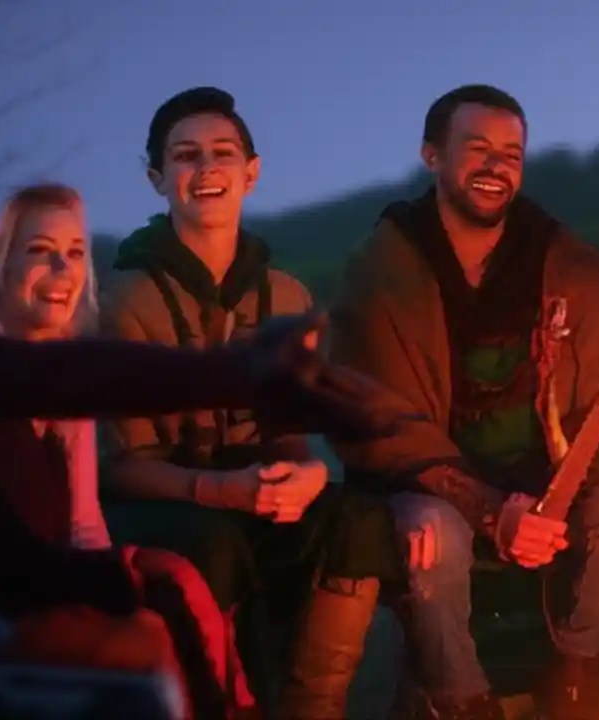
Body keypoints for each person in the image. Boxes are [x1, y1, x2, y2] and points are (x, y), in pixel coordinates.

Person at [0, 80, 397, 699]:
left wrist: (121, 584)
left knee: (149, 627)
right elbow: (47, 377)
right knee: (124, 680)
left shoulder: (283, 291)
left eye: (75, 253)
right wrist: (239, 376)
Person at [328, 84, 599, 720]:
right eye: (478, 148)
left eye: (512, 154)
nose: (496, 166)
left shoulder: (563, 262)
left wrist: (565, 500)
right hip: (433, 488)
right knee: (432, 536)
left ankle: (580, 675)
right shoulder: (382, 271)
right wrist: (494, 514)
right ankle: (461, 699)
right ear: (432, 155)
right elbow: (385, 429)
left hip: (553, 487)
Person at [98, 86, 402, 720]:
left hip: (247, 491)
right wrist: (220, 490)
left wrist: (310, 472)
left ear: (251, 172)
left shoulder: (284, 294)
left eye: (222, 152)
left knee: (355, 518)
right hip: (160, 502)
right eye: (185, 156)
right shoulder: (125, 297)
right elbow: (121, 467)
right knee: (211, 542)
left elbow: (286, 438)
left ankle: (311, 707)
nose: (206, 169)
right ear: (157, 179)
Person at [0, 183, 258, 718]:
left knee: (176, 581)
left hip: (59, 570)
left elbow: (83, 524)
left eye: (74, 254)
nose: (62, 268)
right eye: (38, 251)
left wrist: (116, 575)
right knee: (143, 634)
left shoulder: (66, 383)